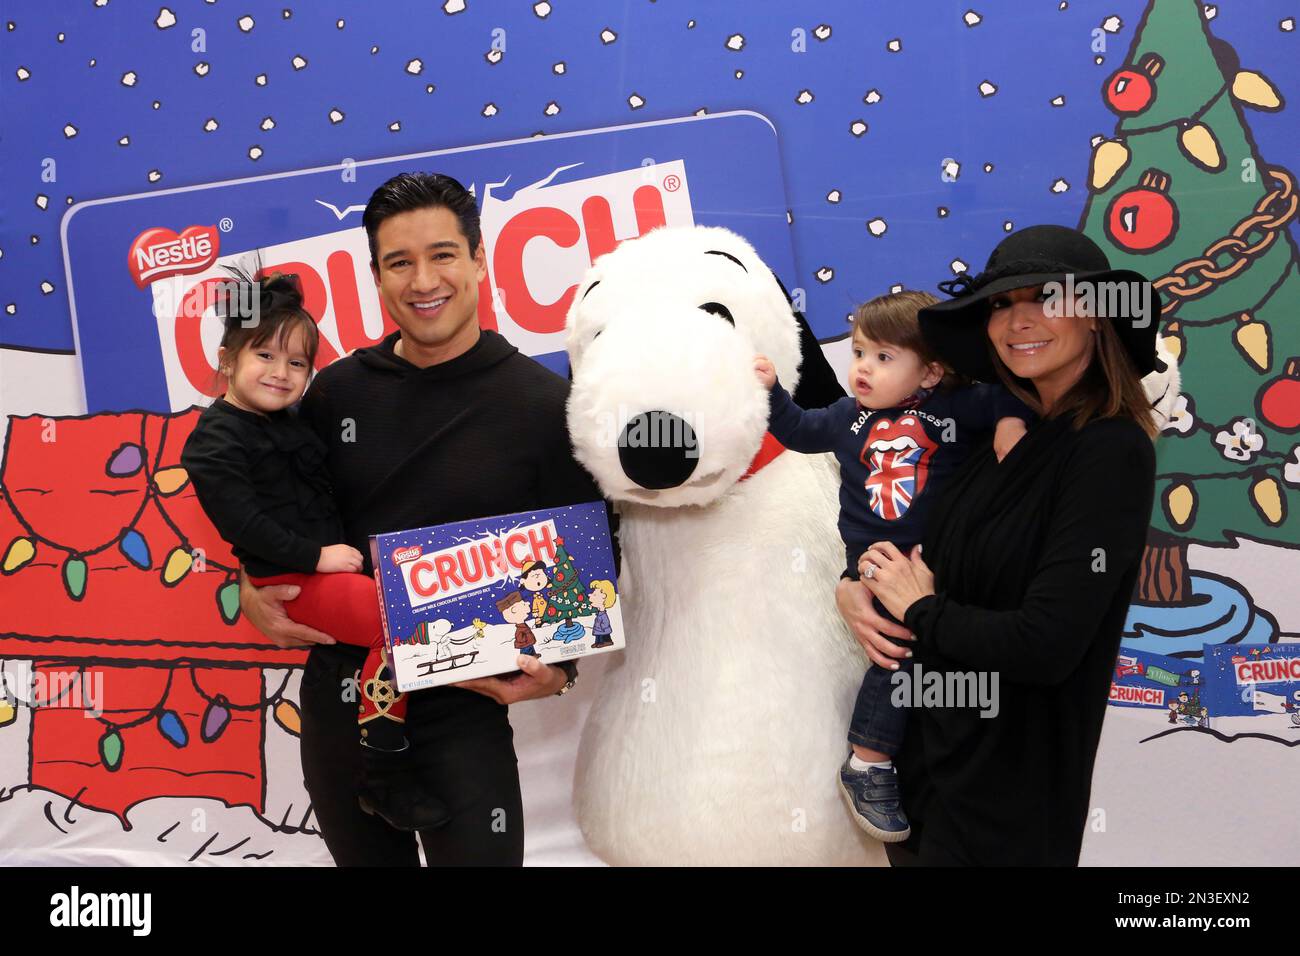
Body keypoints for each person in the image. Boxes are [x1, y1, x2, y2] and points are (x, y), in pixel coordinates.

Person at [237, 172, 608, 866]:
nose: (422, 280)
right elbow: (272, 515)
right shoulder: (334, 395)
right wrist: (247, 587)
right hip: (343, 701)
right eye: (399, 262)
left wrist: (560, 670)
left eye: (442, 254)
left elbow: (584, 564)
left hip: (466, 706)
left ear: (478, 259)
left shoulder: (545, 406)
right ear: (375, 275)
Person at [835, 224, 1162, 866]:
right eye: (1001, 304)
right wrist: (854, 591)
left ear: (1097, 316)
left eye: (1046, 298)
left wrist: (921, 610)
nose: (1019, 321)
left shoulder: (1109, 450)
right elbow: (913, 552)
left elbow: (1046, 644)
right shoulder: (995, 442)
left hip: (1007, 807)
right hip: (923, 774)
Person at [752, 290, 1035, 843]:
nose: (862, 368)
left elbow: (1008, 393)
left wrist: (1009, 422)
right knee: (900, 650)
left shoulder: (952, 407)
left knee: (948, 648)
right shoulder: (844, 416)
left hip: (941, 560)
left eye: (884, 358)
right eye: (859, 352)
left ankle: (933, 757)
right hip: (877, 559)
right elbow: (799, 431)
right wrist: (771, 395)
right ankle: (867, 760)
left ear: (930, 372)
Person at [180, 271, 449, 833]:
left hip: (325, 567)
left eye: (298, 363)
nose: (281, 374)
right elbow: (245, 525)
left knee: (421, 600)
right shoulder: (213, 441)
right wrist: (316, 556)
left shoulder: (288, 422)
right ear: (227, 359)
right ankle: (384, 773)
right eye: (265, 355)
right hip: (293, 579)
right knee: (396, 623)